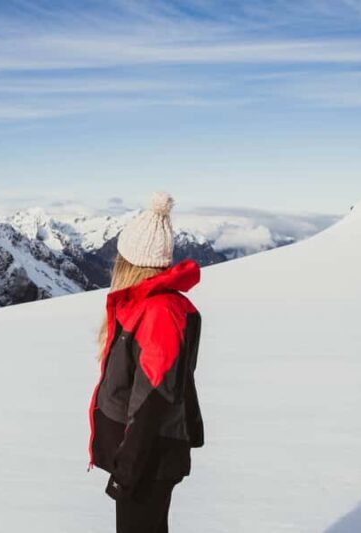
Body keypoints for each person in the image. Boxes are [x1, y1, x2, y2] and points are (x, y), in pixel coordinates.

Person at [87, 191, 205, 533]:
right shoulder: (146, 306)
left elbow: (153, 398)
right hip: (143, 458)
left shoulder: (158, 313)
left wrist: (128, 470)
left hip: (146, 461)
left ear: (131, 264)